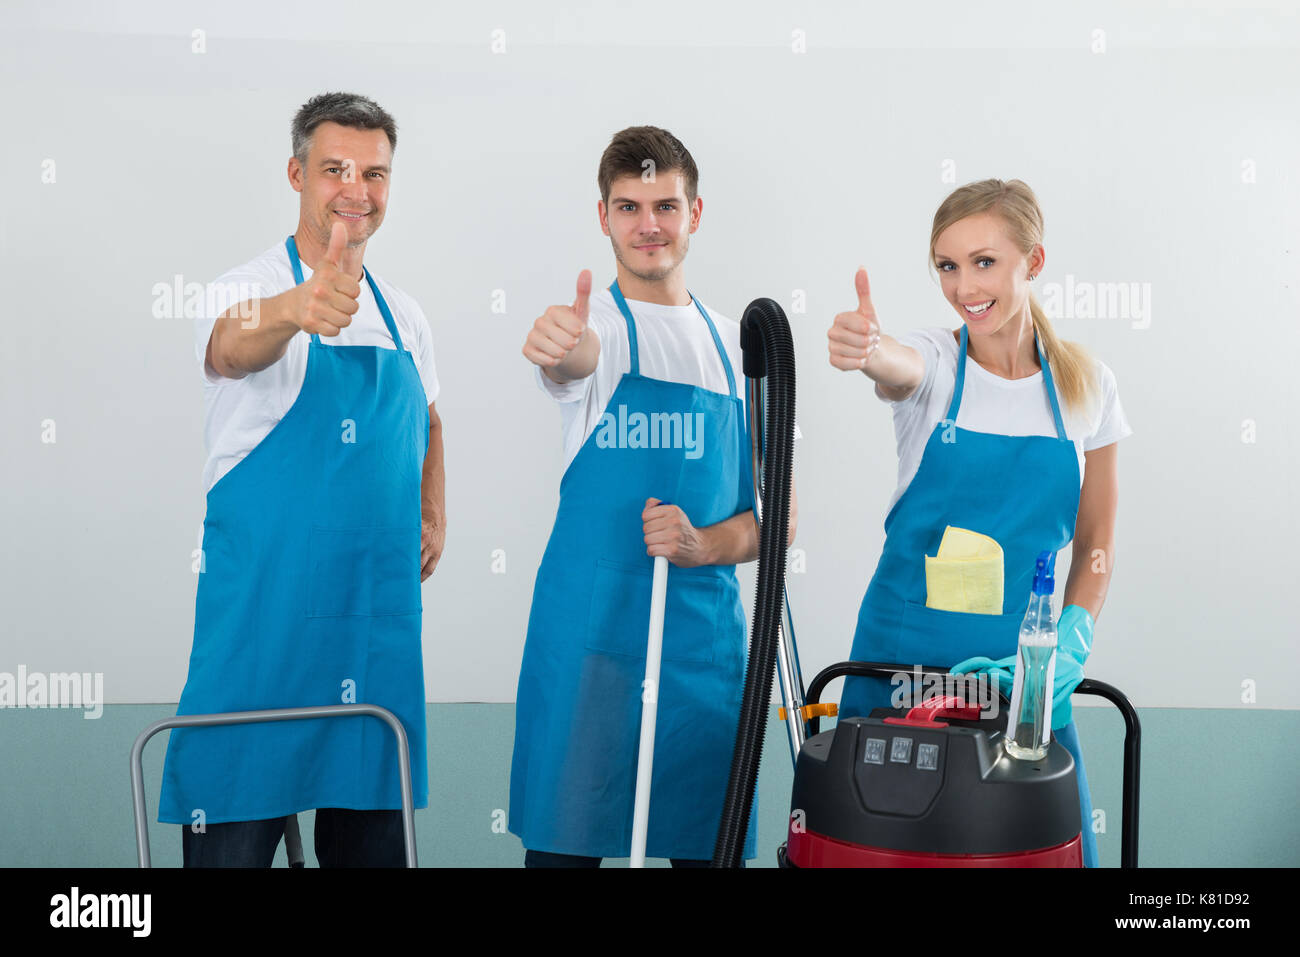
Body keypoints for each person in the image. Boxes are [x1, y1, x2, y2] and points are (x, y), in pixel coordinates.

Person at [159, 92, 446, 867]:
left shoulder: (405, 314)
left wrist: (433, 509)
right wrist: (295, 306)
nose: (358, 188)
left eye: (376, 173)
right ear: (296, 173)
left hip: (372, 623)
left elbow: (428, 417)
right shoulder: (240, 291)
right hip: (264, 623)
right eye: (335, 169)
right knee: (233, 838)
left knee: (373, 846)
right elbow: (229, 349)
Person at [511, 126, 799, 867]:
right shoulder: (596, 330)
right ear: (603, 216)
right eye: (629, 206)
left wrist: (706, 545)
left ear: (694, 214)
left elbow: (779, 519)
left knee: (708, 846)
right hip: (592, 652)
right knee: (564, 851)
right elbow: (571, 362)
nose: (648, 224)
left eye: (666, 205)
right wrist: (559, 346)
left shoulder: (742, 347)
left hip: (701, 658)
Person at [827, 178, 1131, 868]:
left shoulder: (1089, 388)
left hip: (1021, 682)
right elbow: (895, 367)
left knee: (1030, 852)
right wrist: (870, 347)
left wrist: (1072, 640)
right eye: (947, 265)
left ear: (1035, 260)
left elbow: (1097, 545)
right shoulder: (935, 361)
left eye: (985, 261)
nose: (965, 285)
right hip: (897, 674)